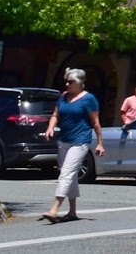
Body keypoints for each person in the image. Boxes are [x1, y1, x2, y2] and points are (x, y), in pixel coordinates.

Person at [40, 68, 105, 223]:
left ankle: (54, 208)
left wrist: (100, 144)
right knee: (70, 176)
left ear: (81, 83)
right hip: (64, 140)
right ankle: (73, 211)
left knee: (66, 174)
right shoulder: (63, 97)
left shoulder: (89, 99)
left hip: (80, 141)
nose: (67, 84)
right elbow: (56, 115)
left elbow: (95, 122)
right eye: (67, 81)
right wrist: (50, 127)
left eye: (71, 82)